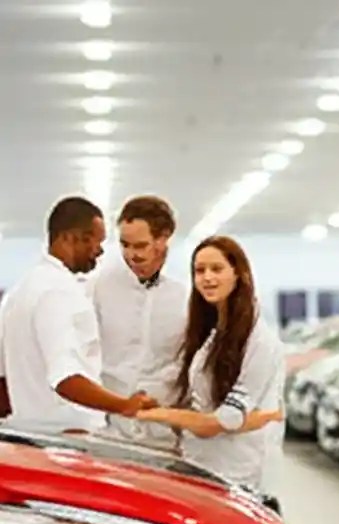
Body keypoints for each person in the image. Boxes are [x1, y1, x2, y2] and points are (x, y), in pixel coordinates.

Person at [136, 236, 285, 491]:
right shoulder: (212, 332)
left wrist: (154, 414)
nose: (207, 278)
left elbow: (218, 423)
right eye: (199, 270)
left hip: (238, 479)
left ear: (238, 274)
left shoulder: (259, 341)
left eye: (216, 269)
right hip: (202, 468)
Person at [0, 197, 156, 431]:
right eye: (94, 241)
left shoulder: (20, 292)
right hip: (66, 436)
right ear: (69, 238)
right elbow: (66, 378)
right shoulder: (58, 293)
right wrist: (124, 404)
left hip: (29, 432)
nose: (100, 251)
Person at [87, 195, 188, 447]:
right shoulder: (100, 287)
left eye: (141, 246)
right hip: (111, 433)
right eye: (125, 245)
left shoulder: (184, 294)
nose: (132, 255)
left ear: (163, 238)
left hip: (164, 435)